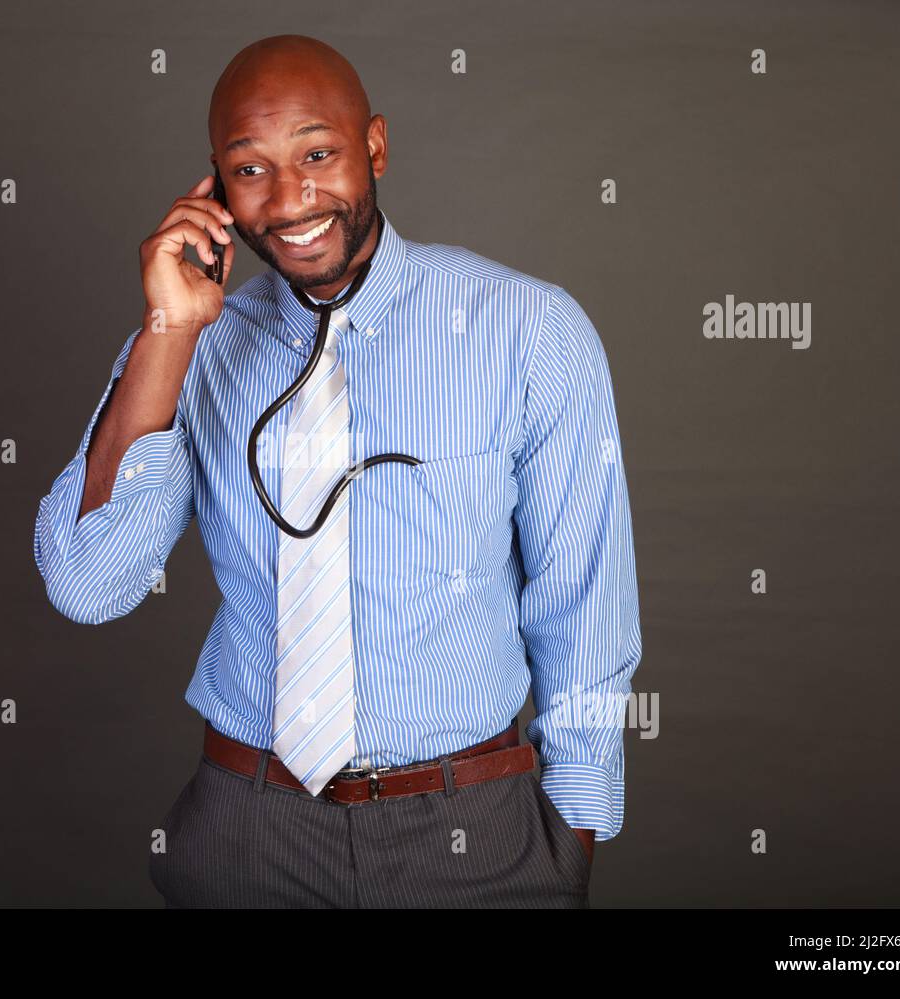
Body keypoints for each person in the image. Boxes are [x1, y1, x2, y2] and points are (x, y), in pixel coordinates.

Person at [34, 34, 642, 908]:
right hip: (251, 828)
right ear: (213, 187)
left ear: (376, 149)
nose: (290, 199)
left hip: (472, 827)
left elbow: (585, 609)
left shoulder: (529, 331)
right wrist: (168, 332)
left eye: (317, 154)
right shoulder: (190, 351)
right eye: (251, 170)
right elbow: (87, 584)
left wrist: (568, 848)